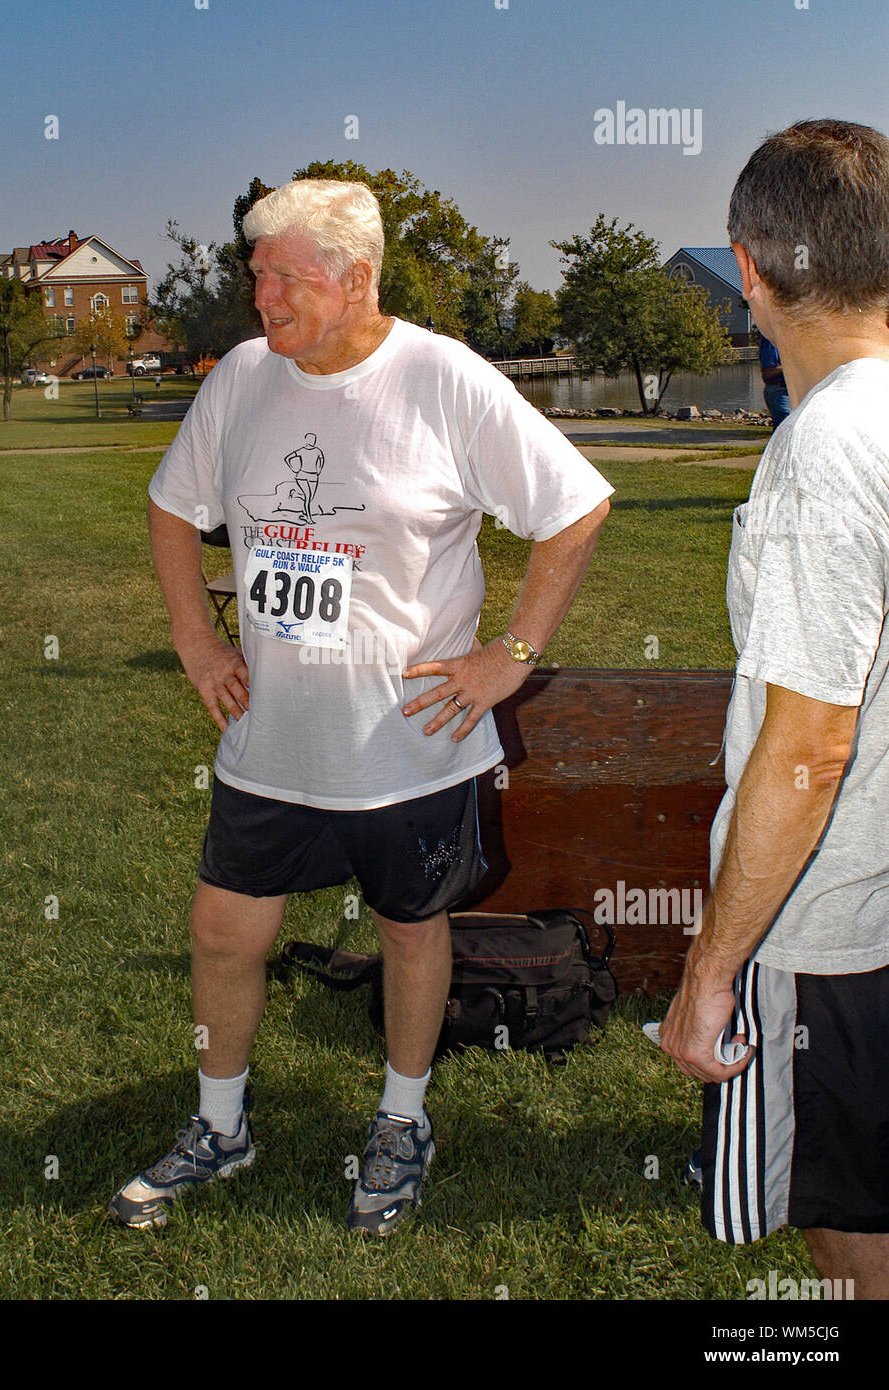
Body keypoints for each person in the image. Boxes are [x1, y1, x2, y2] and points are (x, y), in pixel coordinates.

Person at [110, 178, 612, 1236]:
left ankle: (400, 1119)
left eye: (287, 275)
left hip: (407, 746)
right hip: (271, 741)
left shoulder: (442, 379)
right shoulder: (245, 379)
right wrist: (195, 639)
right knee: (221, 931)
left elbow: (574, 505)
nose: (264, 295)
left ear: (358, 277)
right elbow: (169, 506)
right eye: (257, 273)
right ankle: (221, 1123)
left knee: (411, 933)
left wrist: (510, 655)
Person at [661, 119, 889, 1298]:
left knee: (849, 1234)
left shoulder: (827, 448)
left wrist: (712, 972)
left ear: (748, 269)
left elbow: (808, 746)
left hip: (838, 937)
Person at [758, 332, 791, 429]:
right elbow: (767, 373)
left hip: (791, 391)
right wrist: (793, 365)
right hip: (779, 391)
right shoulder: (771, 339)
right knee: (784, 429)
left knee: (790, 431)